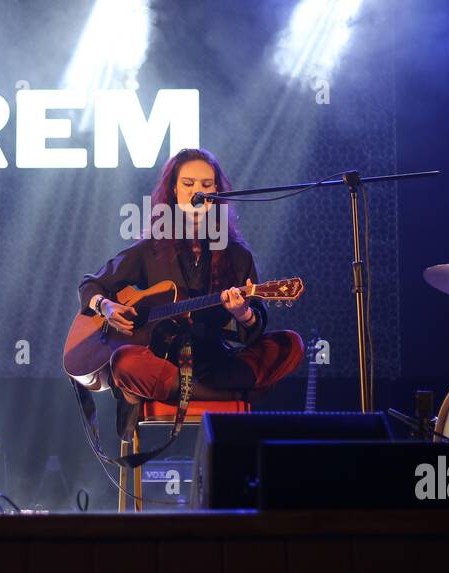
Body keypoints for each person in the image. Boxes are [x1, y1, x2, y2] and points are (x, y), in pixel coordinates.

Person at [77, 148, 303, 423]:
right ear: (173, 190)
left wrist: (243, 314)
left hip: (215, 361)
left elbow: (255, 325)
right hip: (162, 361)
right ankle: (230, 395)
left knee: (290, 344)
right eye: (188, 184)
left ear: (217, 191)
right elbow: (91, 284)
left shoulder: (236, 255)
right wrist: (106, 306)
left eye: (206, 185)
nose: (198, 191)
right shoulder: (150, 250)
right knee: (124, 362)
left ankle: (193, 391)